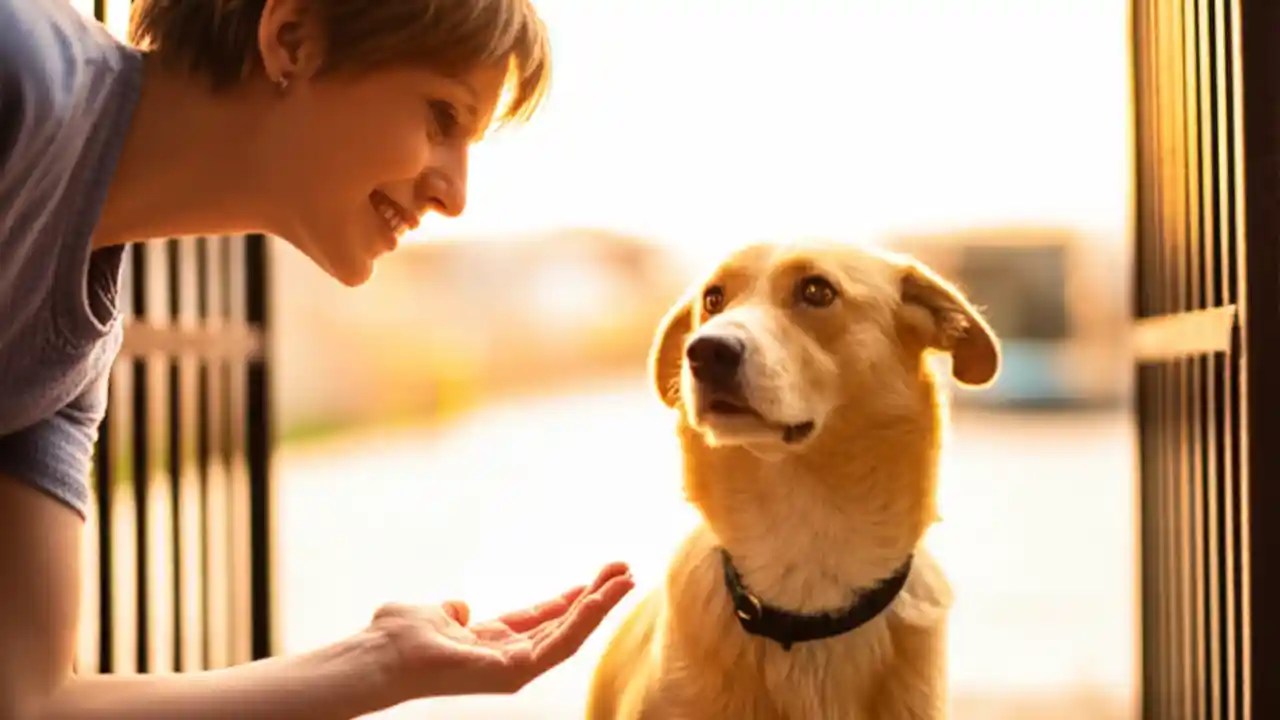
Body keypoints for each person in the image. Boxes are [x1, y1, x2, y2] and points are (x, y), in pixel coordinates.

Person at [0, 0, 635, 717]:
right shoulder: (20, 73)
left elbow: (32, 700)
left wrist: (378, 665)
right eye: (440, 118)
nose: (454, 194)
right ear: (292, 41)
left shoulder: (66, 359)